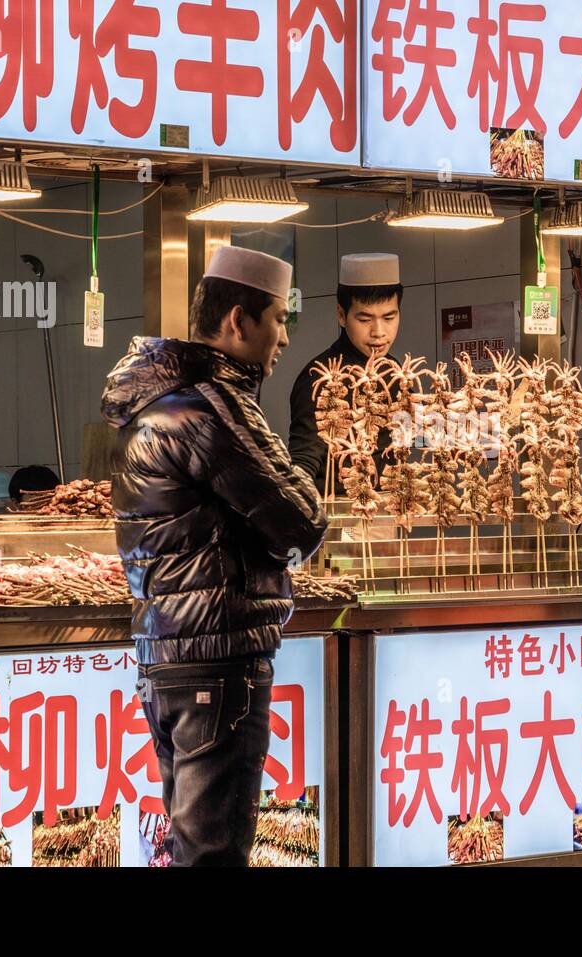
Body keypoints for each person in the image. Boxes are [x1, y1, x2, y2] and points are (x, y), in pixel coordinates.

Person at [101, 245, 327, 866]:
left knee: (194, 848)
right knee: (214, 853)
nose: (284, 337)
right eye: (279, 319)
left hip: (171, 656)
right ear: (238, 321)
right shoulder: (210, 407)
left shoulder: (160, 401)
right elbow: (302, 522)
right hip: (218, 661)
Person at [289, 252, 402, 487]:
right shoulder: (320, 377)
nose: (379, 332)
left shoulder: (396, 372)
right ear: (341, 315)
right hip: (333, 513)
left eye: (389, 317)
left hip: (384, 511)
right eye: (364, 320)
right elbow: (303, 461)